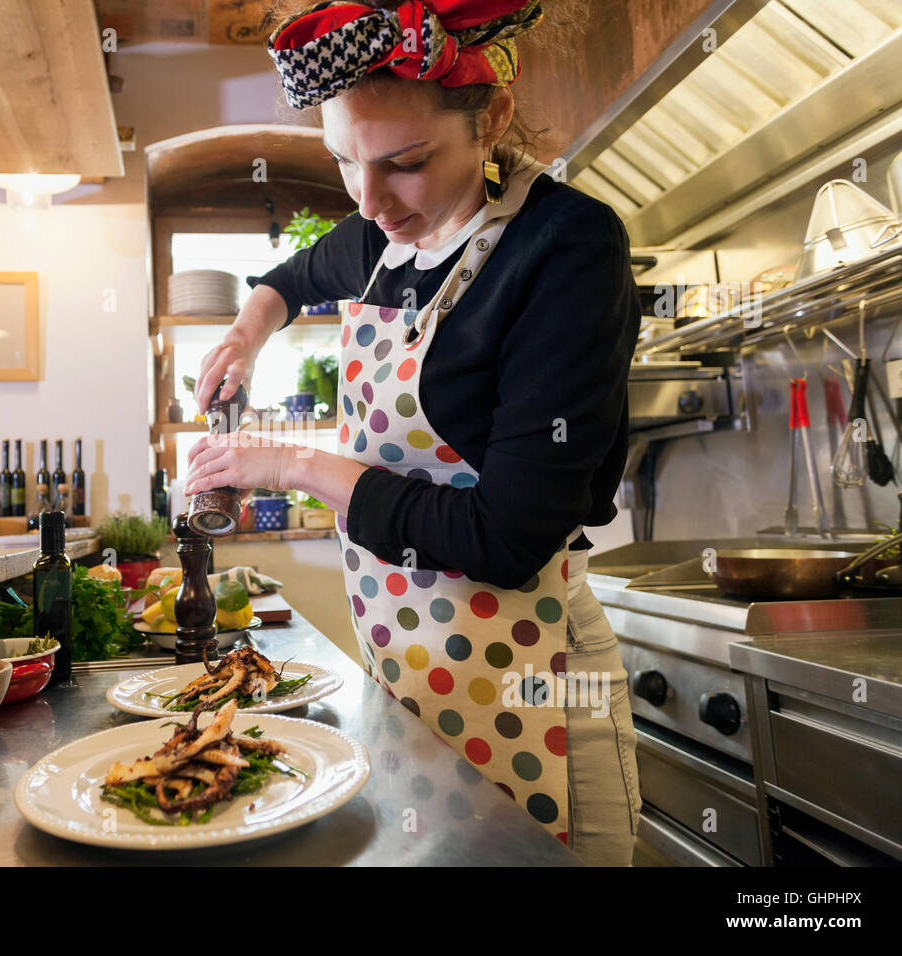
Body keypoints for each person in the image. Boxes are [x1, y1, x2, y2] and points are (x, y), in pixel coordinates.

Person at [185, 0, 642, 865]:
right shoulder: (381, 242)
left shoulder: (564, 247)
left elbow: (502, 539)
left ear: (491, 120)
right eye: (343, 162)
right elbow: (288, 276)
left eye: (406, 164)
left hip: (543, 671)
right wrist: (245, 335)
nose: (370, 203)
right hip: (410, 674)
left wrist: (286, 462)